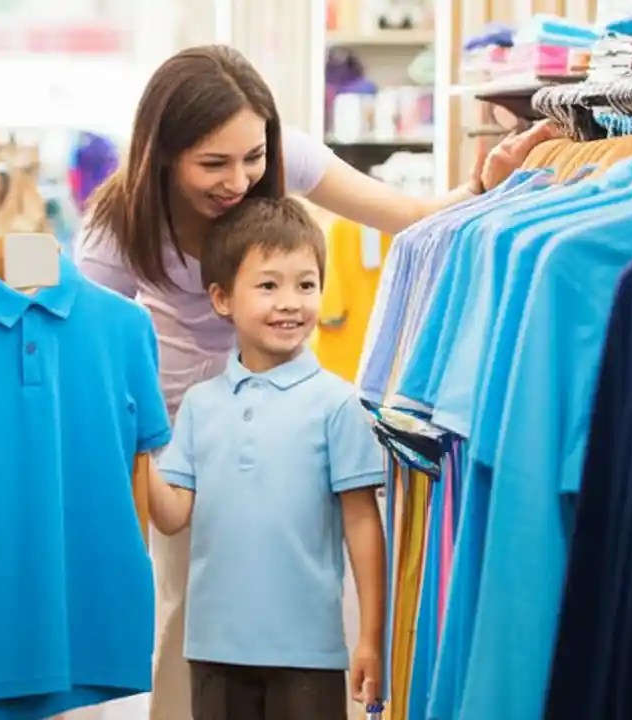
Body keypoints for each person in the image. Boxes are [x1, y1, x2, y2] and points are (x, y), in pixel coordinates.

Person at [74, 44, 559, 719]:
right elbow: (88, 344)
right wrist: (135, 441)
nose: (239, 180)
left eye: (253, 158)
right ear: (161, 153)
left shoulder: (285, 156)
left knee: (298, 576)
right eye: (212, 164)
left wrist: (484, 187)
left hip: (286, 402)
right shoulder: (117, 224)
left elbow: (406, 218)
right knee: (188, 603)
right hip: (184, 423)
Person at [145, 196, 385, 720]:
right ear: (222, 298)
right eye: (269, 285)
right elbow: (171, 516)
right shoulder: (200, 405)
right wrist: (136, 443)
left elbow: (363, 522)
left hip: (309, 654)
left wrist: (370, 636)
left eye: (306, 284)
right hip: (213, 651)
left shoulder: (337, 402)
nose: (291, 302)